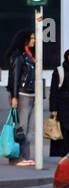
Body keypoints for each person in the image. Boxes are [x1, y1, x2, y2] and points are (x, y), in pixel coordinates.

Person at [5, 29, 38, 167]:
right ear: (24, 39)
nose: (34, 40)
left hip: (31, 94)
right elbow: (15, 77)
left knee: (28, 129)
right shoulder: (18, 55)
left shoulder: (29, 55)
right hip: (22, 95)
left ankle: (25, 156)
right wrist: (14, 96)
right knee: (21, 128)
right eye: (32, 38)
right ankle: (16, 158)